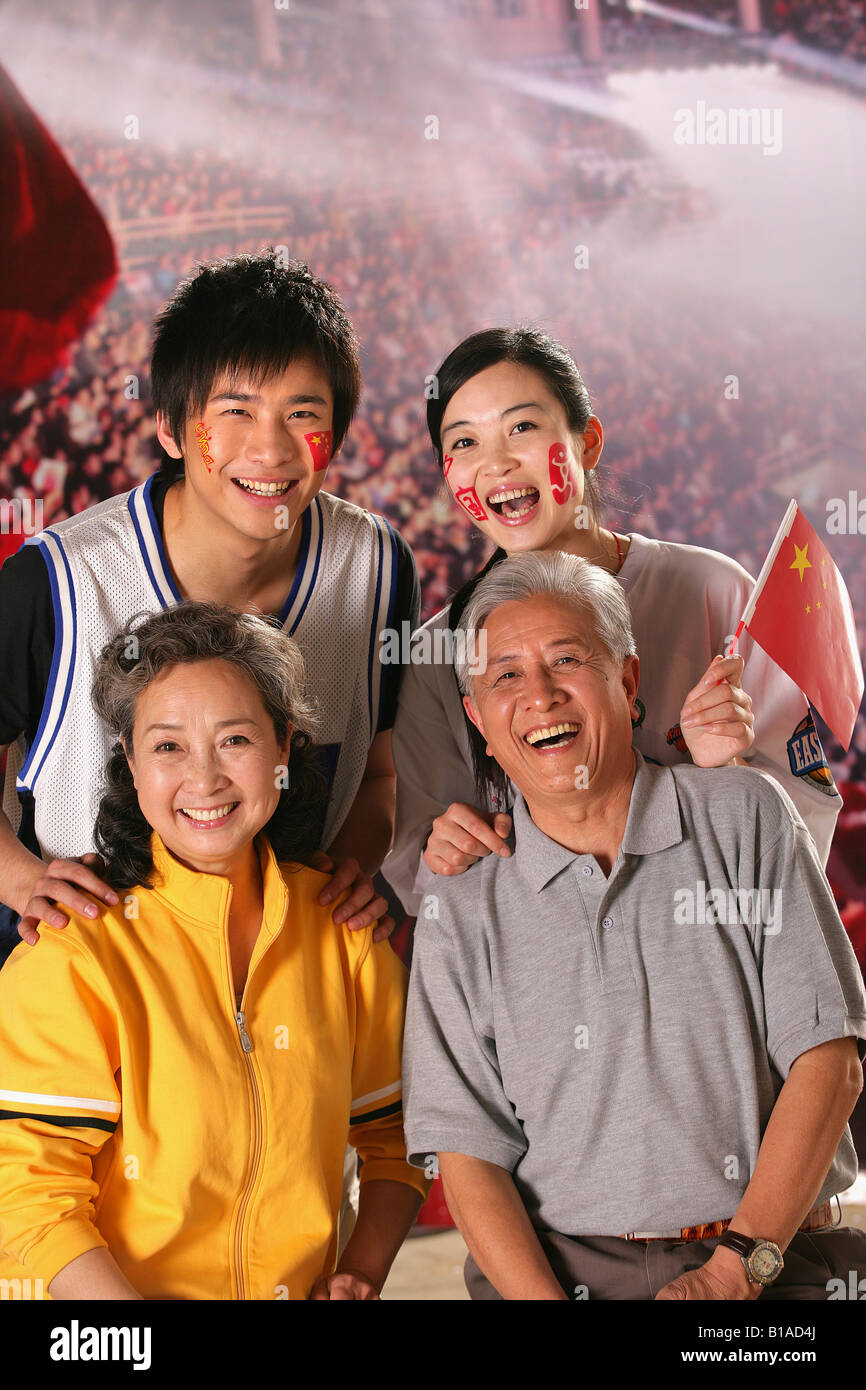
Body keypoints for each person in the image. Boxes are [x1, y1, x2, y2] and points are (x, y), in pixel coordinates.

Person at [403, 551, 866, 1301]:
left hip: (776, 1260)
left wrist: (734, 1270)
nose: (541, 696)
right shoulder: (461, 900)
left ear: (626, 681)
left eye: (567, 660)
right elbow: (467, 1149)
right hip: (558, 1276)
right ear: (479, 721)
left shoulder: (744, 814)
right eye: (506, 677)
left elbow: (830, 1059)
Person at [0, 248, 419, 964]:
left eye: (302, 414)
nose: (269, 448)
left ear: (337, 436)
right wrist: (23, 881)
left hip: (292, 970)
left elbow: (381, 772)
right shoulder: (57, 580)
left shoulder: (377, 566)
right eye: (235, 411)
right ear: (170, 428)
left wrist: (350, 863)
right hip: (98, 978)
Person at [0, 602, 427, 1300]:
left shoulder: (345, 932)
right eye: (167, 746)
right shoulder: (74, 950)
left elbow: (400, 1137)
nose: (205, 779)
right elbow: (26, 1192)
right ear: (130, 764)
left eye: (235, 740)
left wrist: (358, 1275)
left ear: (284, 747)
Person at [383, 327, 840, 921]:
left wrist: (732, 776)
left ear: (588, 441)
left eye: (522, 427)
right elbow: (421, 881)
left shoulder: (713, 591)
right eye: (464, 442)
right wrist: (443, 854)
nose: (495, 463)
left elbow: (807, 819)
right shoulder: (437, 656)